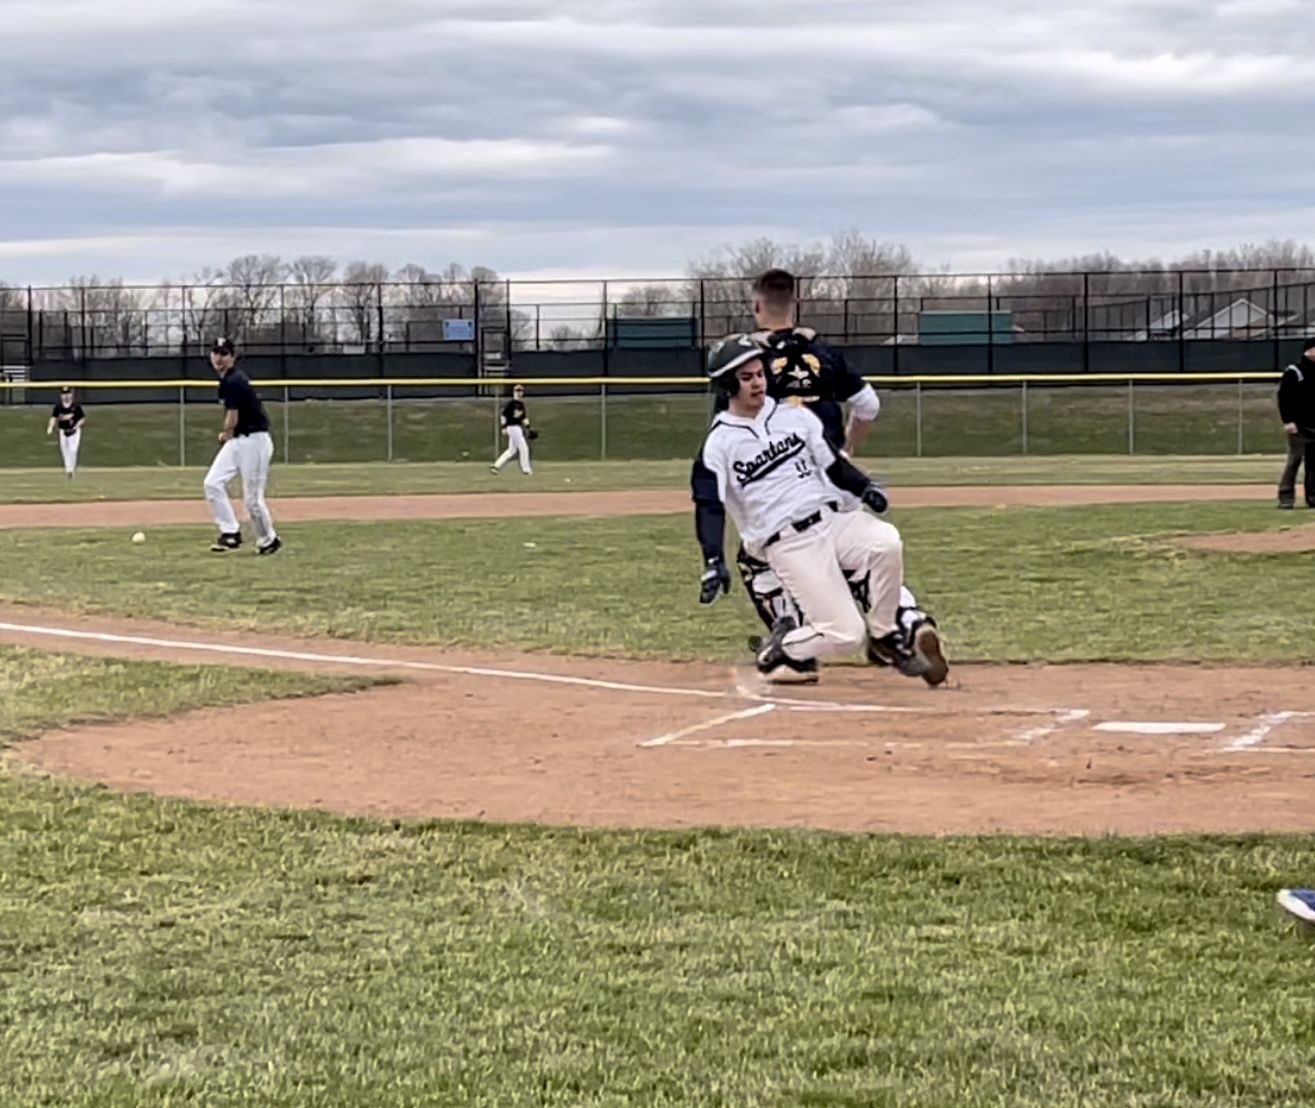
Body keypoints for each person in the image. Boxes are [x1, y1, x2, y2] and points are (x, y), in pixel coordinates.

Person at [707, 267, 948, 686]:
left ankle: (790, 643)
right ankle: (903, 623)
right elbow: (868, 404)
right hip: (836, 472)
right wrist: (849, 449)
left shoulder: (750, 364)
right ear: (796, 303)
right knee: (868, 555)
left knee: (763, 559)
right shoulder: (825, 354)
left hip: (793, 484)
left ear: (756, 306)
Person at [203, 337, 281, 554]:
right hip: (238, 441)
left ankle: (268, 539)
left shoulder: (235, 380)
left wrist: (224, 434)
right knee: (212, 483)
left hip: (254, 441)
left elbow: (233, 417)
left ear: (232, 357)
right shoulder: (227, 379)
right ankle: (230, 533)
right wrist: (229, 436)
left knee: (252, 500)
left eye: (224, 354)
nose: (219, 358)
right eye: (216, 353)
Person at [1276, 336, 1315, 509]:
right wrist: (1288, 421)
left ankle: (1313, 498)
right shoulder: (1295, 371)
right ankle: (1286, 497)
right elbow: (1284, 398)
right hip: (1299, 426)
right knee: (1294, 461)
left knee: (1314, 465)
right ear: (1309, 351)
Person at [491, 383, 533, 475]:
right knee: (524, 447)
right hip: (512, 427)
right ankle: (526, 469)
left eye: (521, 391)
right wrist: (504, 427)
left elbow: (523, 418)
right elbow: (503, 415)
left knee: (512, 450)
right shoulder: (511, 404)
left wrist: (529, 428)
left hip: (518, 427)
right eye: (518, 390)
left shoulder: (521, 404)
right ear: (514, 392)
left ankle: (496, 466)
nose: (520, 392)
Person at [46, 385, 84, 478]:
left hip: (74, 432)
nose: (66, 396)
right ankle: (68, 470)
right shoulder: (58, 407)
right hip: (63, 431)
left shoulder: (76, 406)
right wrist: (50, 427)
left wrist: (76, 426)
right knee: (65, 451)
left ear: (71, 395)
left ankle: (71, 469)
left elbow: (82, 418)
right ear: (61, 396)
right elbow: (53, 417)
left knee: (73, 450)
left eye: (68, 394)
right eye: (64, 394)